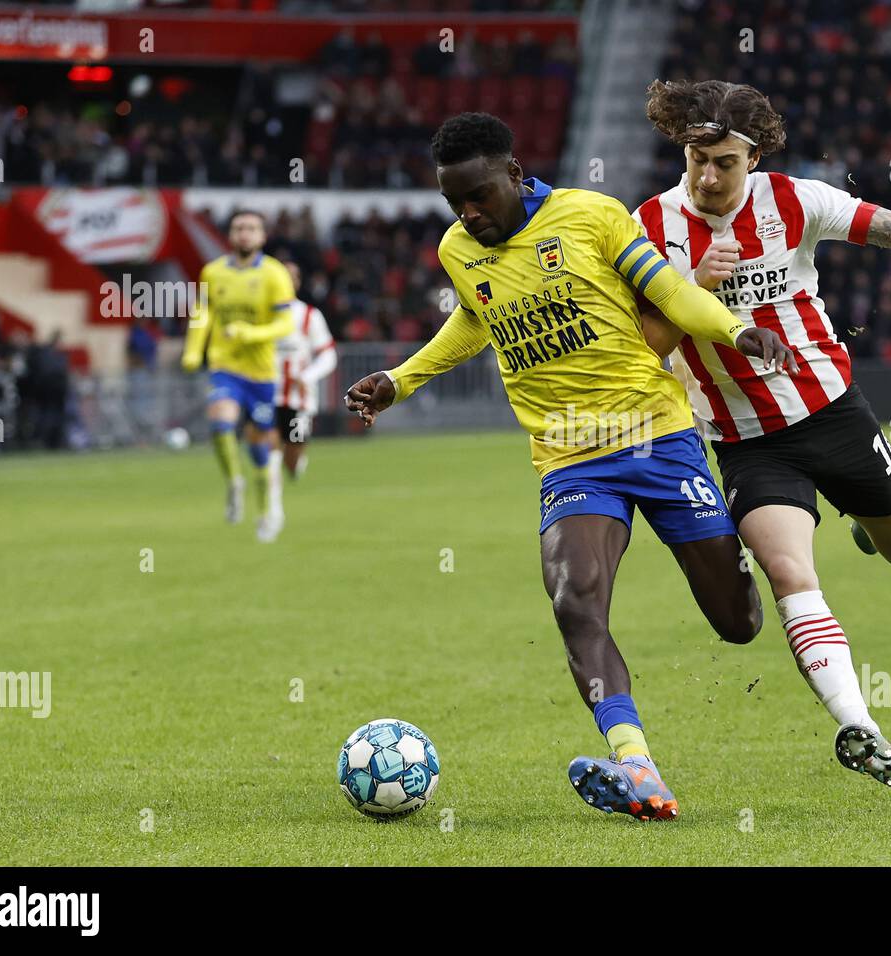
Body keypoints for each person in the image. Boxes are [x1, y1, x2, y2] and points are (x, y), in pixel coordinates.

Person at [346, 112, 796, 821]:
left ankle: (758, 514)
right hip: (570, 455)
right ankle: (637, 767)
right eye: (453, 203)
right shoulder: (459, 250)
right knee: (574, 600)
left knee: (738, 623)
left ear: (516, 175)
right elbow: (476, 318)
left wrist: (736, 329)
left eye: (479, 196)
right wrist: (401, 379)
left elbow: (670, 292)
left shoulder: (591, 216)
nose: (468, 214)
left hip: (657, 436)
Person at [637, 80, 891, 785]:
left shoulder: (796, 201)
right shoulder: (648, 225)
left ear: (755, 156)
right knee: (790, 572)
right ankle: (860, 724)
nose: (707, 176)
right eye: (695, 159)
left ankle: (866, 518)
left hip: (833, 412)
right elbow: (641, 346)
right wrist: (690, 289)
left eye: (724, 162)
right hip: (746, 442)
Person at [181, 210, 296, 543]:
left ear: (262, 237)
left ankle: (265, 511)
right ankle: (234, 483)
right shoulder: (213, 273)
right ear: (230, 235)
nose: (244, 233)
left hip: (261, 374)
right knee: (220, 423)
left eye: (251, 228)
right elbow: (203, 313)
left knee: (260, 450)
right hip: (225, 368)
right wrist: (193, 350)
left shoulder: (275, 274)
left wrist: (251, 333)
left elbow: (285, 324)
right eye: (238, 228)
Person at [268, 261, 337, 527]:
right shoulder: (261, 313)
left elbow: (328, 355)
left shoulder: (310, 316)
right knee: (269, 449)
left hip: (300, 400)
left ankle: (296, 465)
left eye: (292, 276)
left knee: (292, 456)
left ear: (298, 282)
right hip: (268, 396)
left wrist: (307, 376)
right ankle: (273, 510)